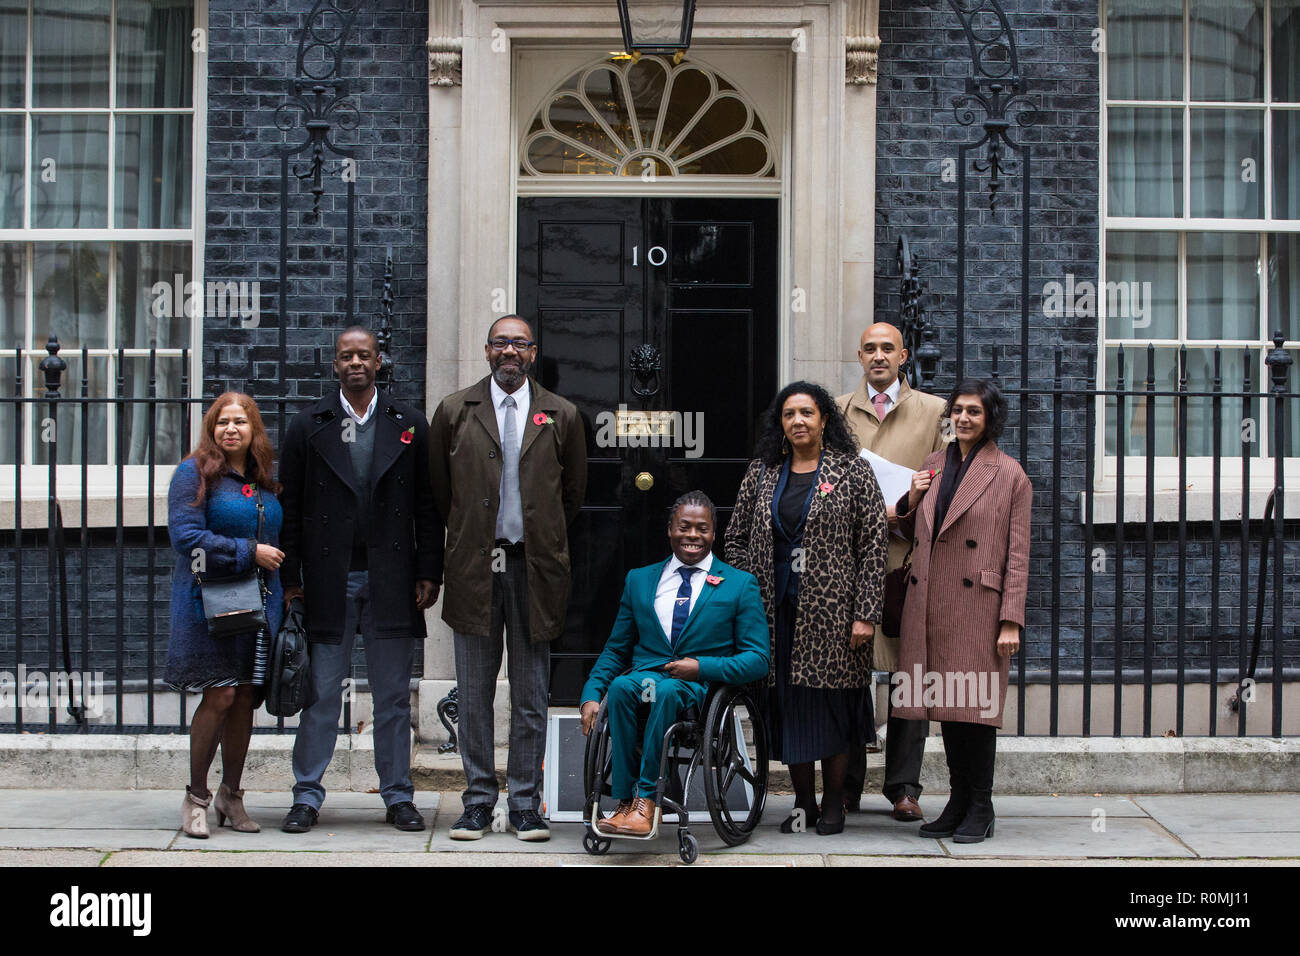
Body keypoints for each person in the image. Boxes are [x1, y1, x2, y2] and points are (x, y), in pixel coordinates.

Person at [429, 314, 587, 842]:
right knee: (473, 692)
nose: (510, 352)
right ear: (487, 350)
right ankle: (476, 800)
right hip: (475, 567)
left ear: (534, 352)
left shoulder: (561, 414)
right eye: (501, 343)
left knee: (530, 692)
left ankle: (523, 803)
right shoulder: (455, 411)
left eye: (519, 344)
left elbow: (573, 497)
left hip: (533, 568)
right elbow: (438, 495)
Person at [277, 326, 441, 834]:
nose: (355, 363)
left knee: (392, 697)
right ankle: (307, 795)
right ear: (334, 365)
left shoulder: (408, 423)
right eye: (346, 356)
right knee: (321, 693)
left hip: (392, 578)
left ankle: (397, 796)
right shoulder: (308, 425)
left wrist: (428, 571)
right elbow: (290, 509)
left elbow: (429, 506)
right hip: (329, 578)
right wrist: (291, 579)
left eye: (363, 355)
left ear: (377, 361)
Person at [724, 381, 889, 835]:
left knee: (832, 706)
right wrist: (751, 579)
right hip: (773, 614)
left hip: (834, 615)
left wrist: (865, 613)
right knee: (789, 708)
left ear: (823, 421)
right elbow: (735, 537)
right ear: (780, 424)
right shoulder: (761, 472)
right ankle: (802, 803)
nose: (798, 421)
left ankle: (833, 801)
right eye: (789, 414)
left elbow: (874, 545)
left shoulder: (852, 471)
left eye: (807, 413)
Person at [578, 491, 769, 836]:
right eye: (684, 527)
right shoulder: (640, 579)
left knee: (666, 690)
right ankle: (624, 803)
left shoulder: (739, 585)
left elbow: (758, 659)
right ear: (669, 530)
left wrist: (701, 667)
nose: (693, 536)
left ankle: (647, 802)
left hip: (700, 689)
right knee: (621, 686)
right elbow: (616, 648)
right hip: (645, 682)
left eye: (702, 529)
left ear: (714, 533)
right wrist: (592, 693)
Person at [894, 378, 1031, 844]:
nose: (964, 418)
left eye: (974, 411)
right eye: (958, 410)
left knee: (976, 709)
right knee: (947, 707)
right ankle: (956, 801)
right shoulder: (932, 465)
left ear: (990, 417)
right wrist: (909, 498)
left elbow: (1018, 554)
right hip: (930, 602)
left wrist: (1011, 619)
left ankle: (981, 805)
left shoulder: (1010, 474)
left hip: (978, 607)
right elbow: (905, 526)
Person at [837, 322, 949, 821]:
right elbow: (827, 480)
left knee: (910, 675)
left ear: (904, 355)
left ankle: (904, 786)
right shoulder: (836, 411)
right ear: (859, 356)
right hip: (851, 562)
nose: (879, 356)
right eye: (870, 348)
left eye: (888, 348)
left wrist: (912, 503)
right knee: (849, 676)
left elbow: (946, 480)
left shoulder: (934, 410)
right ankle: (846, 785)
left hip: (907, 561)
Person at [165, 393, 284, 838]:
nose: (230, 429)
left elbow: (277, 535)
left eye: (240, 421)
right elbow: (186, 537)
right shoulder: (192, 473)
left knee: (245, 700)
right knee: (219, 696)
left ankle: (231, 796)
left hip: (261, 605)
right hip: (209, 603)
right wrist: (248, 551)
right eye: (222, 422)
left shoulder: (262, 479)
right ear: (211, 429)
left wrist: (288, 592)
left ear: (253, 429)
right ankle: (196, 796)